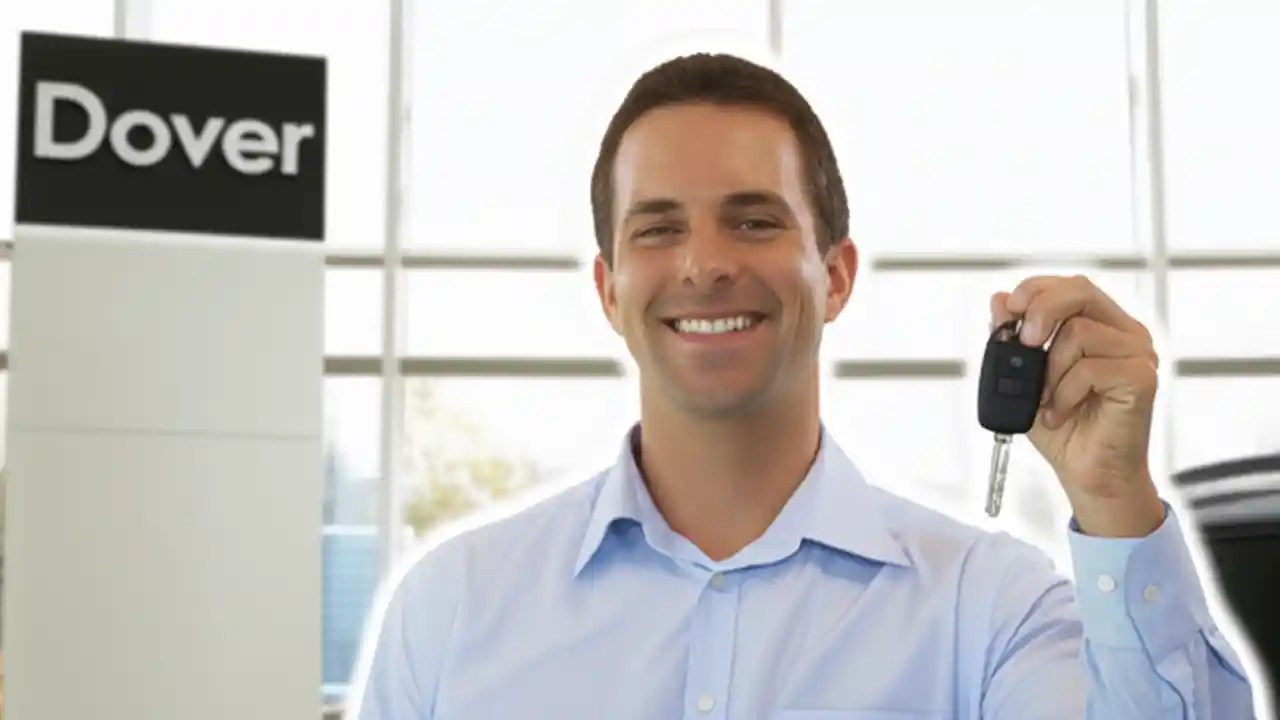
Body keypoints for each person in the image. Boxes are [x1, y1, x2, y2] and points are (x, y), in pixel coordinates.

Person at [352, 53, 1259, 718]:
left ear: (836, 275)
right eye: (658, 229)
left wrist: (1112, 501)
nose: (704, 265)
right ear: (608, 288)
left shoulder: (988, 610)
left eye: (752, 220)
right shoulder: (450, 611)